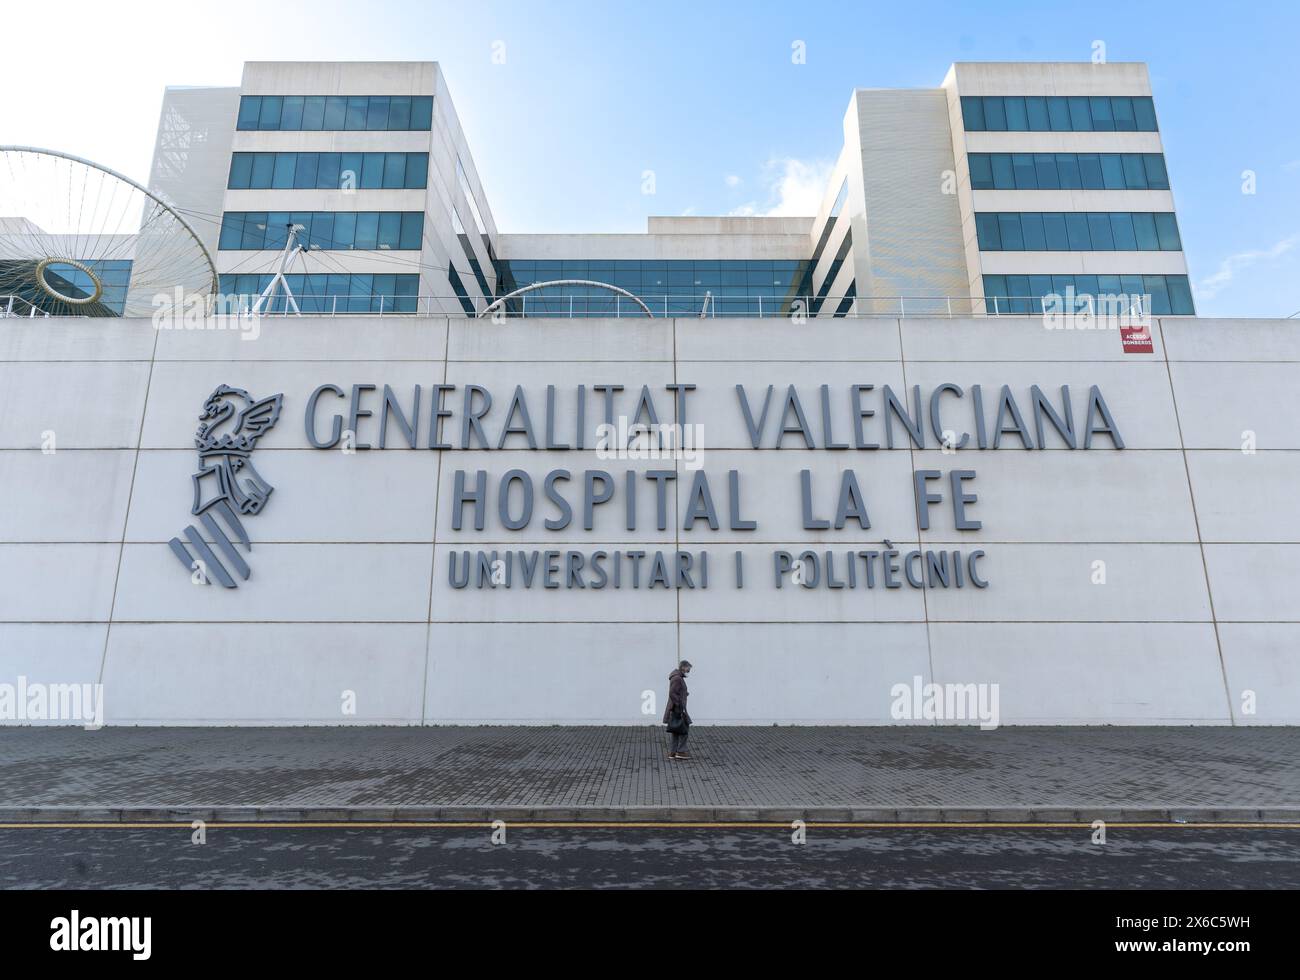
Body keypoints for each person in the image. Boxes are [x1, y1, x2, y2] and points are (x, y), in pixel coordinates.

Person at [663, 660, 693, 759]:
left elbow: (677, 692)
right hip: (678, 708)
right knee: (684, 728)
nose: (689, 670)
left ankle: (673, 752)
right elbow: (672, 693)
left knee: (676, 729)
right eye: (688, 668)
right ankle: (680, 752)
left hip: (676, 707)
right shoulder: (677, 678)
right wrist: (679, 706)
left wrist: (685, 694)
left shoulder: (677, 677)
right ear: (683, 667)